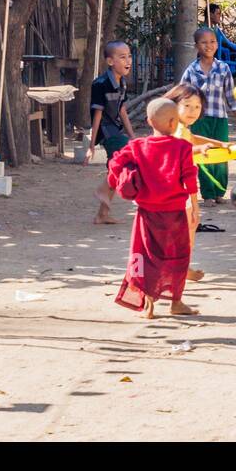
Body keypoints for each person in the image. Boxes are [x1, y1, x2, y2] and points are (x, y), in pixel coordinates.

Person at [108, 98, 199, 319]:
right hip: (175, 214)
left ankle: (148, 306)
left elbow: (116, 163)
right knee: (178, 256)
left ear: (149, 120)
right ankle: (175, 302)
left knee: (147, 256)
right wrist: (195, 207)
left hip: (146, 215)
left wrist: (117, 180)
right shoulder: (182, 147)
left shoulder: (137, 147)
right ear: (173, 123)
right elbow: (190, 178)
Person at [164, 83, 231, 282]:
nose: (193, 111)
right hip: (175, 190)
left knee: (190, 227)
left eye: (197, 106)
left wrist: (219, 144)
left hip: (182, 188)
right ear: (174, 105)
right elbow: (179, 150)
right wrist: (199, 150)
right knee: (186, 228)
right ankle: (176, 269)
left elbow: (192, 139)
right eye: (188, 106)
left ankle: (182, 267)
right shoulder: (175, 130)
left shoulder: (181, 128)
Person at [180, 28, 236, 204]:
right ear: (196, 46)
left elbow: (230, 95)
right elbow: (182, 95)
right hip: (199, 120)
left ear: (217, 45)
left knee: (222, 153)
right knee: (204, 155)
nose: (208, 46)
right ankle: (208, 193)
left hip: (220, 118)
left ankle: (219, 192)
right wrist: (182, 122)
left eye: (212, 42)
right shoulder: (191, 70)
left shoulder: (223, 68)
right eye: (203, 42)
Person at [88, 40, 135, 225]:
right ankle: (102, 190)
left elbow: (122, 110)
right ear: (110, 61)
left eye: (129, 56)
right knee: (123, 161)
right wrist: (91, 145)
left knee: (115, 167)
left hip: (115, 128)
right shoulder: (100, 84)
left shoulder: (121, 82)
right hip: (106, 131)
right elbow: (97, 115)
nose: (127, 60)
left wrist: (132, 135)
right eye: (122, 57)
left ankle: (102, 214)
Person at [207, 3, 236, 68]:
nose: (220, 16)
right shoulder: (206, 30)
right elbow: (227, 43)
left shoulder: (215, 28)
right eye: (218, 14)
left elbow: (226, 41)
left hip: (222, 52)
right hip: (215, 58)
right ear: (211, 15)